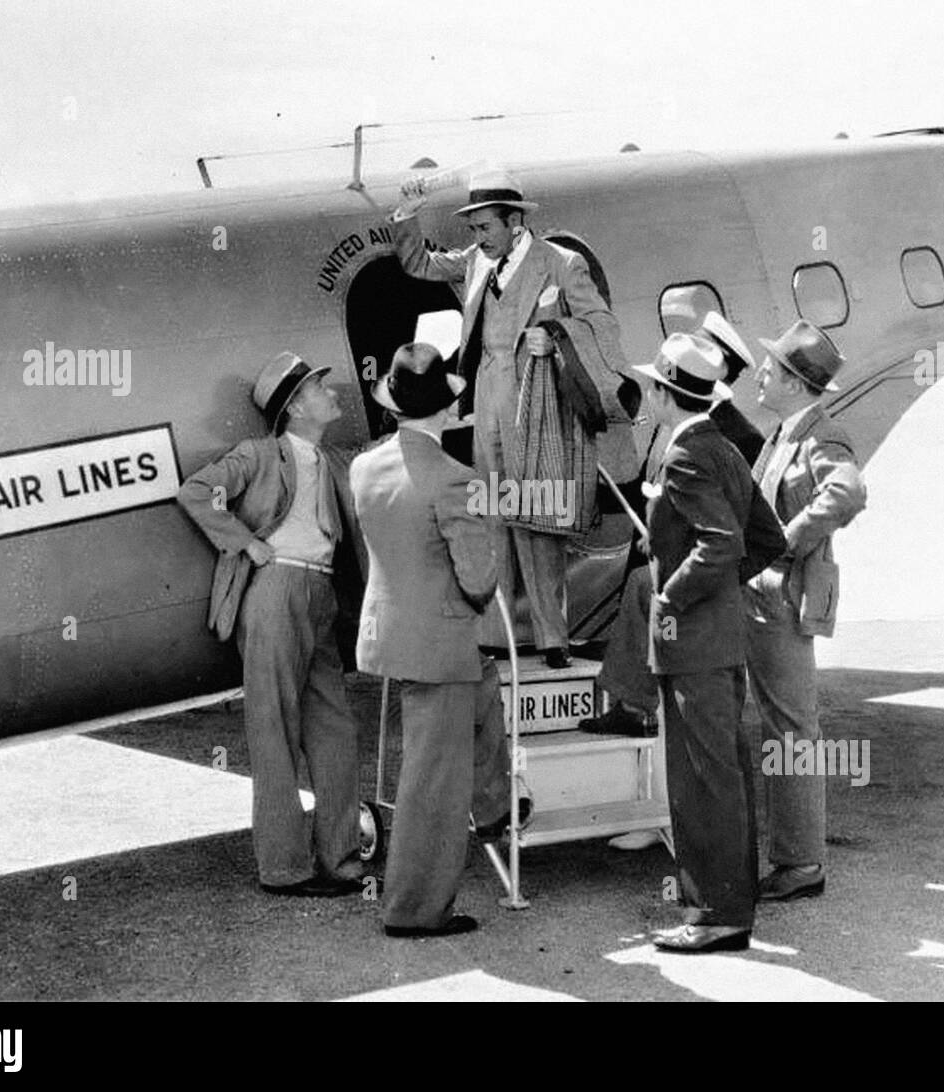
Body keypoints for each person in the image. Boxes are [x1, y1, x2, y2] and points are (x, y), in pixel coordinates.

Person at [390, 167, 624, 668]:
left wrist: (556, 334)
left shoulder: (561, 264)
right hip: (489, 399)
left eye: (485, 228)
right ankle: (496, 637)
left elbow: (601, 324)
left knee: (538, 517)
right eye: (473, 230)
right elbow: (418, 264)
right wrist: (407, 214)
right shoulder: (476, 261)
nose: (478, 239)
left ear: (515, 222)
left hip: (538, 401)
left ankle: (552, 638)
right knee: (494, 511)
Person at [178, 352, 367, 897]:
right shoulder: (258, 455)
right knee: (274, 732)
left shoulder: (333, 460)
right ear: (296, 407)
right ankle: (284, 869)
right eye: (318, 388)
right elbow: (196, 491)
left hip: (320, 593)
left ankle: (343, 862)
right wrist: (246, 543)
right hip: (275, 590)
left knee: (336, 730)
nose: (331, 393)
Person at [350, 343, 518, 938]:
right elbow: (478, 577)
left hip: (391, 635)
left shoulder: (364, 467)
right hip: (442, 644)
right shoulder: (456, 480)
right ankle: (415, 910)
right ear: (448, 410)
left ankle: (499, 806)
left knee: (477, 705)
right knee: (431, 783)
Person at [581, 311, 783, 742]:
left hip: (698, 595)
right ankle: (633, 698)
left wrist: (705, 579)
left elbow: (741, 530)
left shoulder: (728, 437)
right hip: (687, 574)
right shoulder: (686, 425)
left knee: (706, 749)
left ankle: (634, 704)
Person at [632, 332, 759, 953]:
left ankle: (717, 914)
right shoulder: (726, 448)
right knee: (723, 776)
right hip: (721, 643)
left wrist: (673, 597)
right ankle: (724, 907)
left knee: (701, 782)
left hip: (692, 646)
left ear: (663, 394)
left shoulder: (684, 457)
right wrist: (721, 598)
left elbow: (723, 543)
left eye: (650, 388)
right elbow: (767, 538)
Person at [745, 320, 866, 901]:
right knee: (782, 728)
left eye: (771, 368)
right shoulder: (780, 433)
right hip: (759, 592)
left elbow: (847, 493)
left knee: (792, 731)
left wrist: (786, 540)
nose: (761, 374)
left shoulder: (822, 435)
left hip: (783, 598)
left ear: (795, 383)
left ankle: (800, 865)